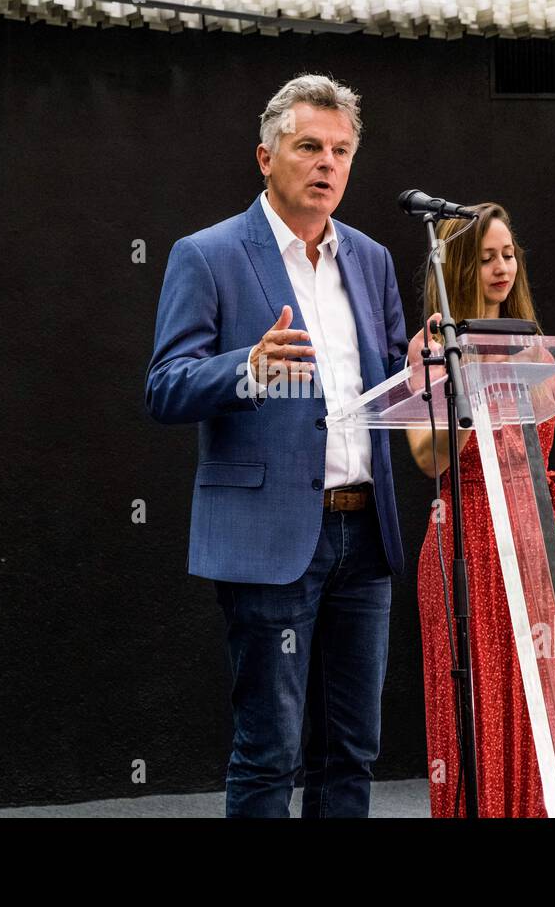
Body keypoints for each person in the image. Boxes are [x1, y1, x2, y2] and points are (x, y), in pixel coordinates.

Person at [146, 74, 435, 817]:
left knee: (353, 748)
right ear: (266, 156)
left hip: (364, 533)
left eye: (341, 150)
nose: (327, 163)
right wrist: (246, 367)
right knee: (269, 750)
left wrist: (419, 370)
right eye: (310, 146)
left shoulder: (368, 259)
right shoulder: (206, 255)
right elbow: (165, 387)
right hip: (271, 537)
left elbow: (386, 384)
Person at [405, 203, 555, 817]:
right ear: (457, 268)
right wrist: (467, 380)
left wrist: (507, 367)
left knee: (539, 710)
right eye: (485, 257)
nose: (501, 267)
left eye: (508, 254)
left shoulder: (534, 341)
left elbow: (538, 437)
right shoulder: (432, 346)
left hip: (535, 534)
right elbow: (427, 459)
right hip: (467, 533)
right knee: (475, 704)